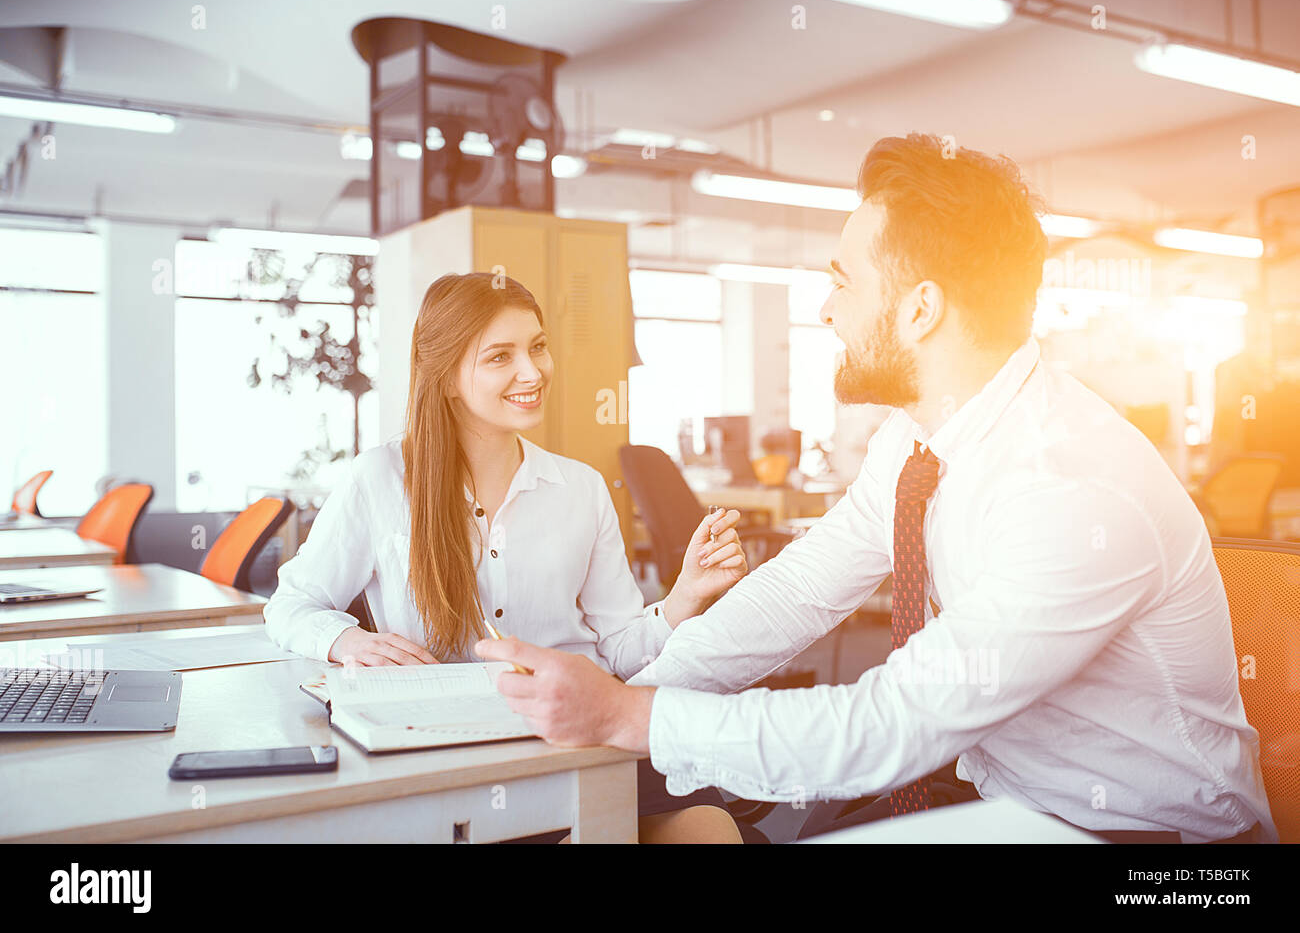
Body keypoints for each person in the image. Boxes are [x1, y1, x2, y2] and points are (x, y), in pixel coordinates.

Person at [476, 133, 1278, 844]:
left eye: (843, 282)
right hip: (1001, 797)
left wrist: (627, 719)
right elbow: (801, 590)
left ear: (920, 309)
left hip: (1149, 842)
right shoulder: (918, 438)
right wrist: (628, 692)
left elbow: (893, 721)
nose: (826, 309)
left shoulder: (1069, 489)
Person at [264, 271, 748, 843]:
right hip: (452, 750)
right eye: (500, 356)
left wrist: (685, 595)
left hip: (584, 728)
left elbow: (618, 647)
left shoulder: (581, 488)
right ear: (446, 379)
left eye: (537, 347)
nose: (532, 371)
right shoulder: (379, 479)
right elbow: (291, 605)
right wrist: (347, 641)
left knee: (710, 828)